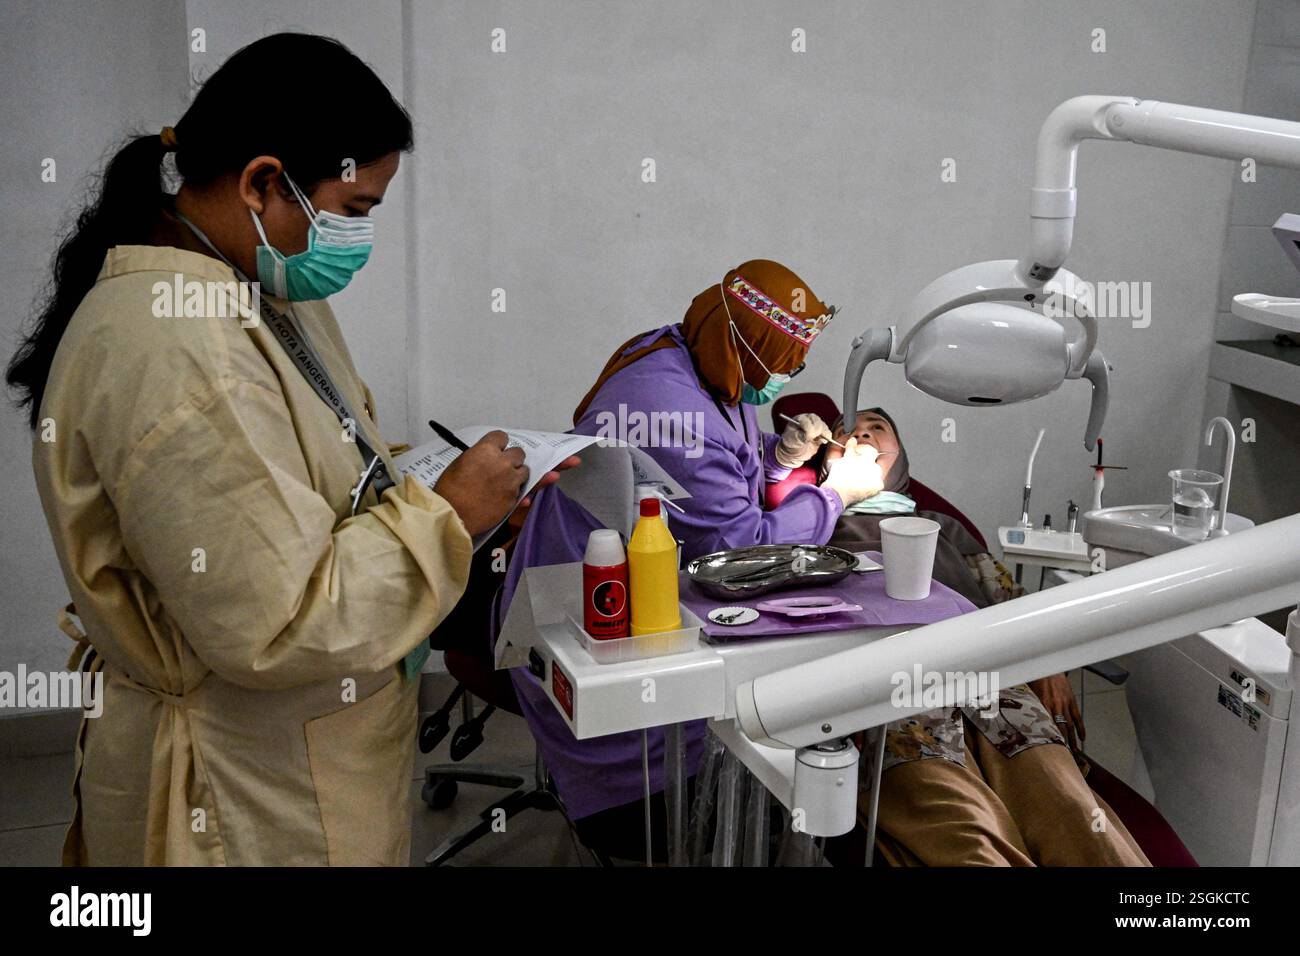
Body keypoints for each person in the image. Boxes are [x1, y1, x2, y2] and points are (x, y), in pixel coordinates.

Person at [5, 33, 565, 866]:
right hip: (242, 792)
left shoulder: (249, 293)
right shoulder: (178, 349)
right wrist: (447, 514)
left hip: (304, 752)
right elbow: (277, 618)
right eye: (355, 207)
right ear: (264, 181)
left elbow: (313, 464)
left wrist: (447, 487)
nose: (358, 236)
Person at [494, 259, 884, 858]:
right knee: (736, 753)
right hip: (582, 625)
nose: (787, 376)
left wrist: (778, 458)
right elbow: (741, 548)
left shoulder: (699, 353)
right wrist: (836, 495)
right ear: (745, 346)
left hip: (614, 589)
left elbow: (718, 469)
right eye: (782, 362)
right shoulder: (666, 406)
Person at [818, 409, 1149, 866]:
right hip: (893, 699)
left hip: (995, 693)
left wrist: (1047, 664)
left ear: (901, 455)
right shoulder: (814, 534)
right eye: (846, 431)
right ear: (828, 459)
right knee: (968, 838)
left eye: (877, 426)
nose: (862, 433)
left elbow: (1011, 601)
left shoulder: (943, 527)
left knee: (1075, 816)